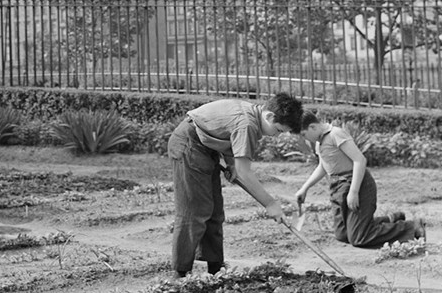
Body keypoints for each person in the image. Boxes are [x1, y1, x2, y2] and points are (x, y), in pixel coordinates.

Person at [168, 90, 304, 278]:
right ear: (270, 116)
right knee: (194, 210)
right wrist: (270, 204)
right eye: (279, 130)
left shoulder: (253, 116)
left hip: (207, 147)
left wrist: (231, 163)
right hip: (189, 145)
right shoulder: (247, 124)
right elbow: (244, 172)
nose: (277, 136)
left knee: (215, 211)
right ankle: (180, 273)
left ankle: (216, 268)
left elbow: (226, 135)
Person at [295, 111, 425, 248]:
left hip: (358, 184)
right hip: (338, 188)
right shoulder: (319, 143)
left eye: (304, 134)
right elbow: (323, 167)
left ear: (313, 127)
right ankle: (389, 219)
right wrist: (305, 188)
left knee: (359, 238)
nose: (305, 139)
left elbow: (360, 160)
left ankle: (412, 227)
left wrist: (354, 191)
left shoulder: (335, 134)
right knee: (342, 235)